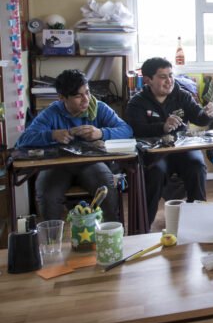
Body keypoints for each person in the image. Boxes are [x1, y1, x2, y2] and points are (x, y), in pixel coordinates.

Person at [17, 69, 132, 222]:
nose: (86, 99)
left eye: (87, 92)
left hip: (90, 164)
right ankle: (53, 241)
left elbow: (127, 130)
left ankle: (114, 236)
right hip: (58, 165)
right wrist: (52, 135)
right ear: (62, 97)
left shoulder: (98, 108)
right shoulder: (52, 113)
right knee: (46, 195)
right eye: (78, 95)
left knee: (107, 188)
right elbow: (23, 141)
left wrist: (101, 133)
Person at [124, 57, 213, 225]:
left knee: (197, 167)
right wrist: (163, 127)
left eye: (171, 75)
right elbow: (135, 130)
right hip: (154, 152)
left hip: (182, 148)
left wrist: (208, 114)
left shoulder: (181, 94)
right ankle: (142, 227)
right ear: (148, 80)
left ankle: (198, 222)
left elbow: (199, 117)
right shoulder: (137, 102)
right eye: (162, 77)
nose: (169, 81)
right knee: (154, 173)